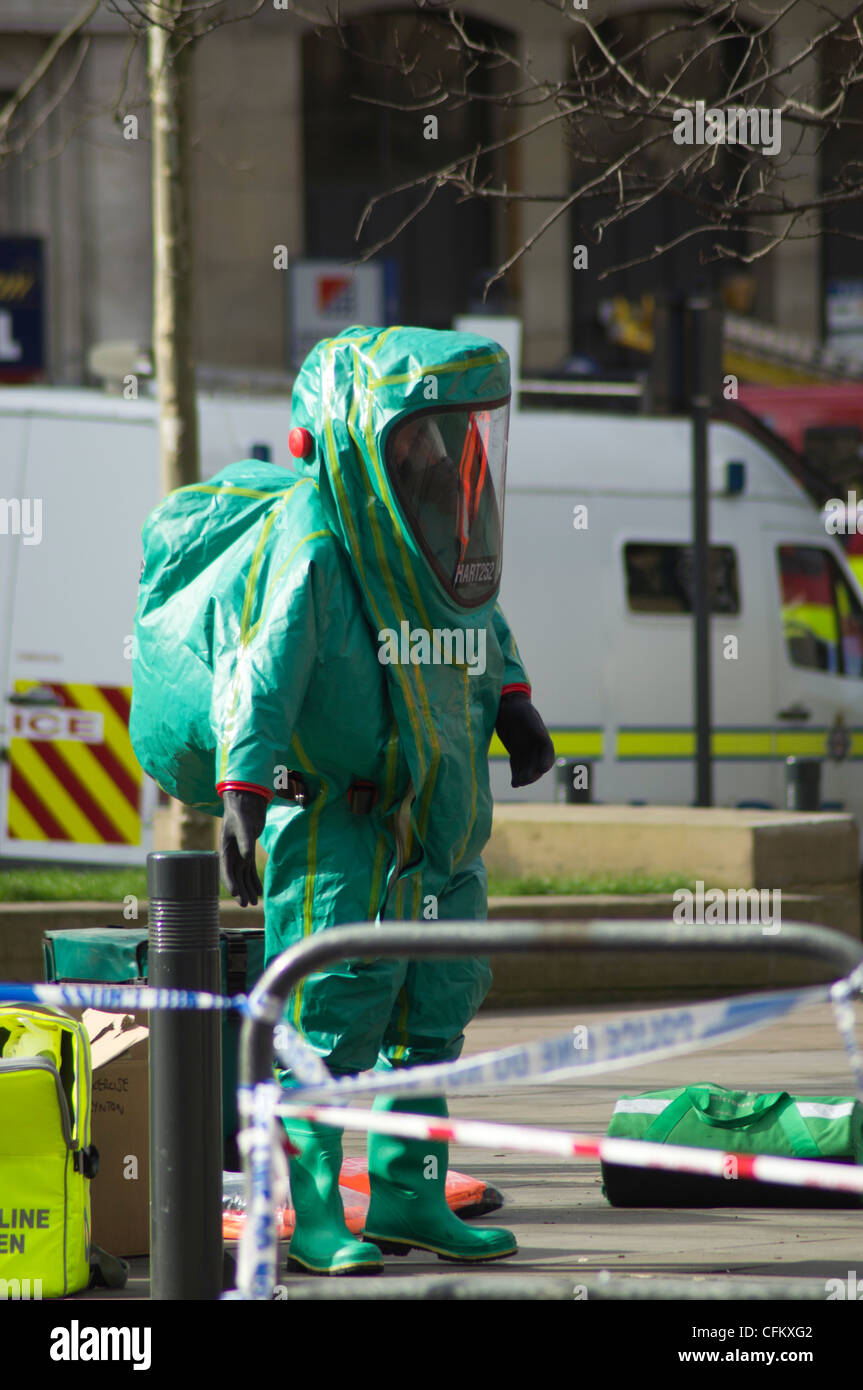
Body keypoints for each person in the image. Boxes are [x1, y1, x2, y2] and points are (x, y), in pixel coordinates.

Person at [133, 324, 555, 1276]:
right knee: (326, 1016)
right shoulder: (319, 542)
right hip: (338, 824)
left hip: (437, 817)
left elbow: (474, 618)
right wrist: (241, 792)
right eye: (418, 430)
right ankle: (308, 1209)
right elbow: (262, 669)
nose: (439, 449)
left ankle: (408, 1194)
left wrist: (517, 708)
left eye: (448, 429)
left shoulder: (431, 519)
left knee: (433, 1006)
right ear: (361, 434)